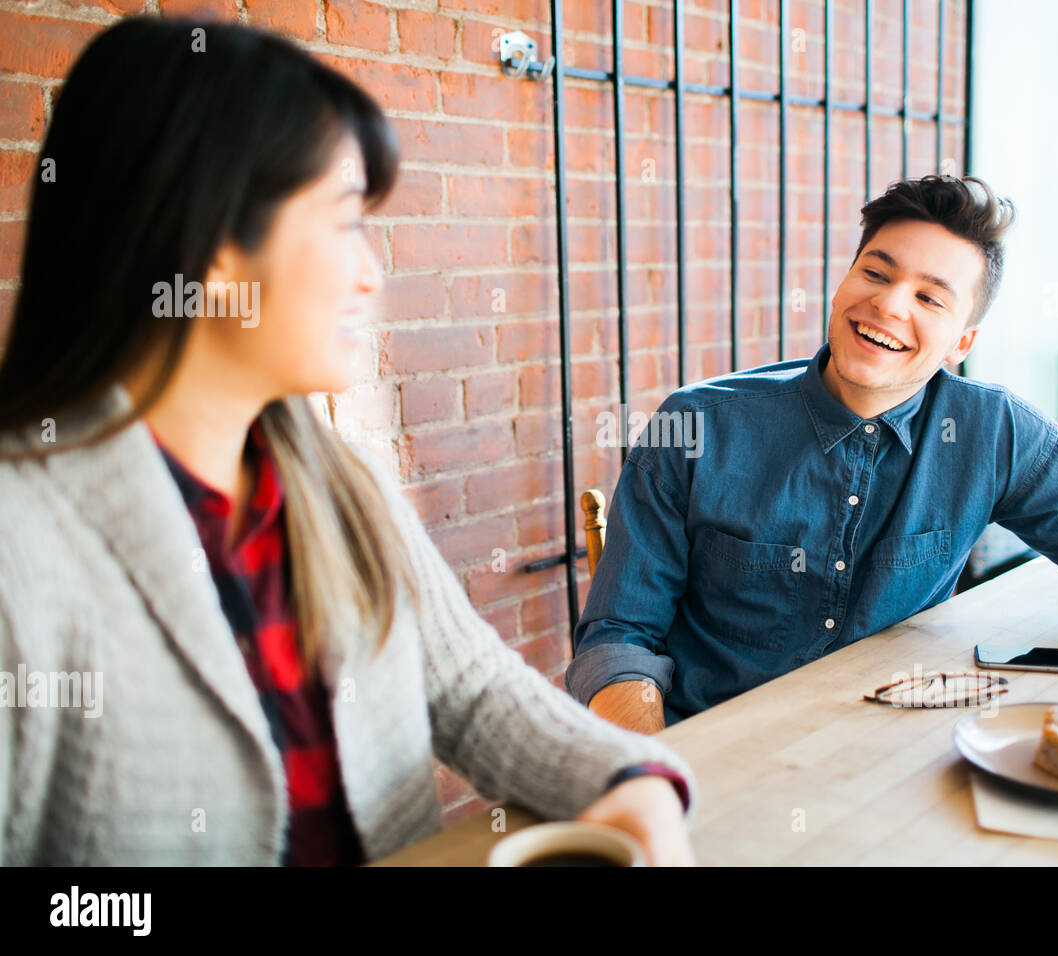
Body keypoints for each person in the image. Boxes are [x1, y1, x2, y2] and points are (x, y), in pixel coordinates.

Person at [0, 16, 695, 866]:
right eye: (344, 222)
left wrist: (630, 777)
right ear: (211, 245)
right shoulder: (23, 540)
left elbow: (472, 690)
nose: (373, 272)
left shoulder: (336, 477)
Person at [567, 175, 1058, 734]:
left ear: (964, 340)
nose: (889, 307)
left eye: (931, 297)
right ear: (846, 278)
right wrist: (661, 767)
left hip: (896, 751)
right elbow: (619, 637)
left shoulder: (993, 433)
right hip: (714, 749)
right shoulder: (698, 425)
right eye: (877, 274)